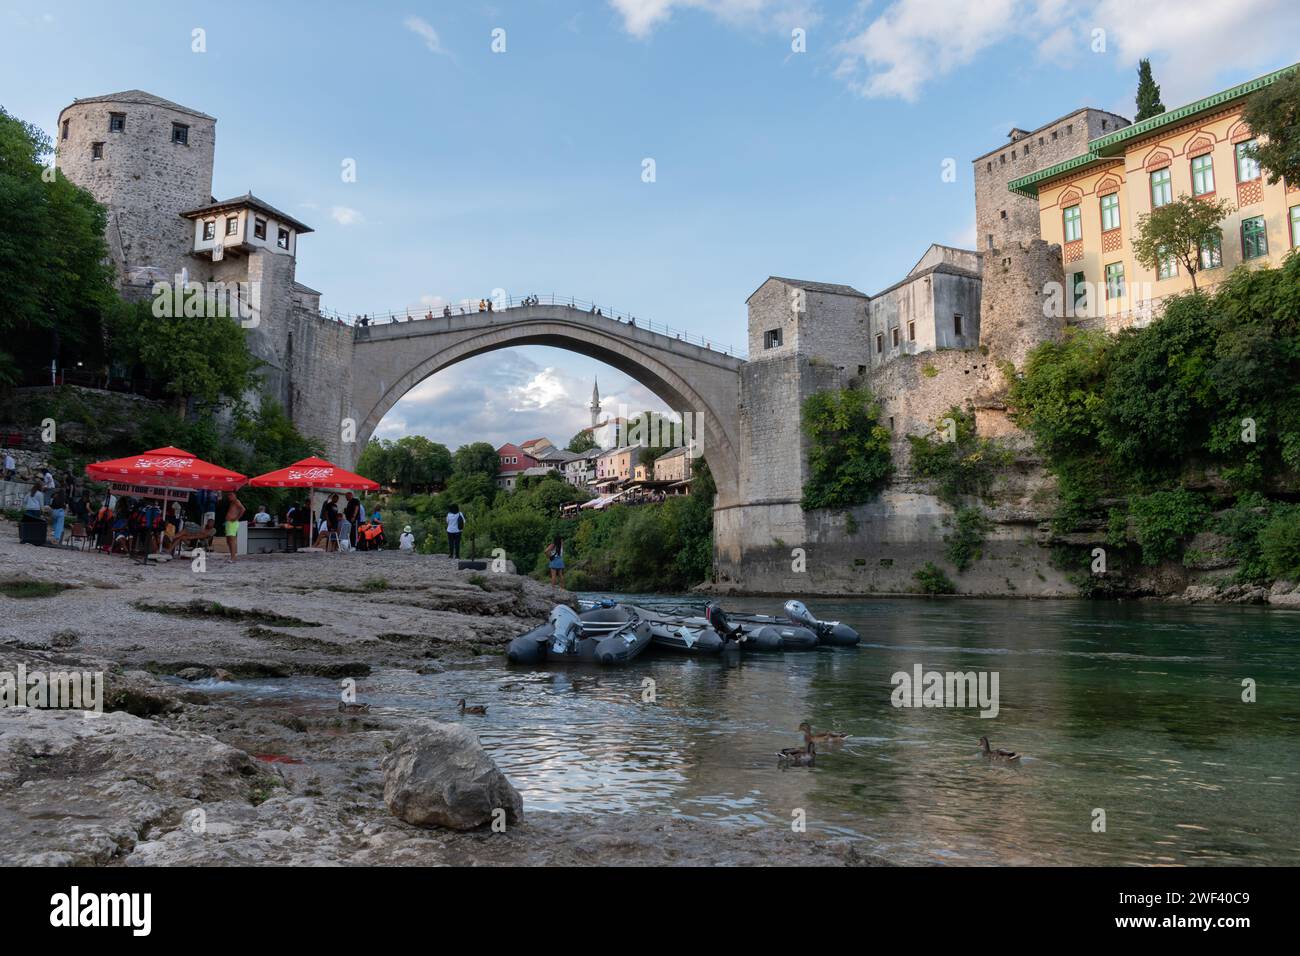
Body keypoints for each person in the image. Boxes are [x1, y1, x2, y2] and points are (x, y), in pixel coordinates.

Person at [221, 489, 245, 563]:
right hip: (229, 523)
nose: (229, 496)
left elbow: (243, 509)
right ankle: (232, 556)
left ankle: (233, 558)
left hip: (232, 523)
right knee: (228, 541)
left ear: (235, 495)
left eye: (231, 494)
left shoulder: (236, 501)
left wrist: (236, 518)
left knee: (232, 541)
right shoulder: (232, 502)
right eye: (228, 495)